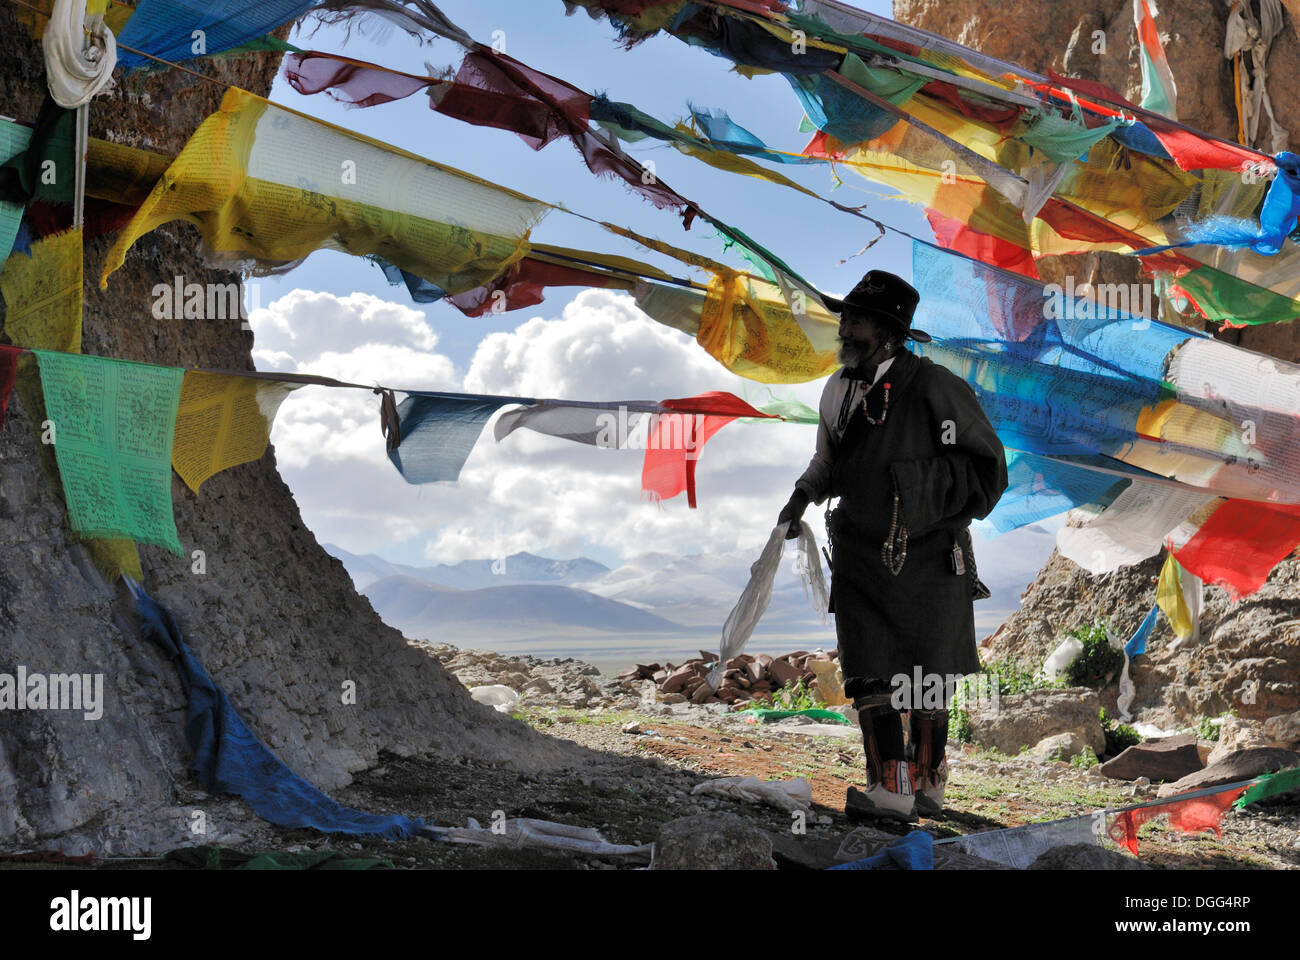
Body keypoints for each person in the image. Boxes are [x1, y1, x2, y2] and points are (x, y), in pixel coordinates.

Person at [777, 270, 1007, 821]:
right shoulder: (838, 390)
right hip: (859, 554)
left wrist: (911, 490)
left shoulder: (937, 388)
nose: (845, 329)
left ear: (886, 331)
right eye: (845, 319)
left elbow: (987, 466)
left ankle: (926, 785)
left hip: (926, 555)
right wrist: (802, 496)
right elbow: (829, 461)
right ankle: (890, 789)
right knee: (870, 670)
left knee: (925, 675)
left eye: (855, 321)